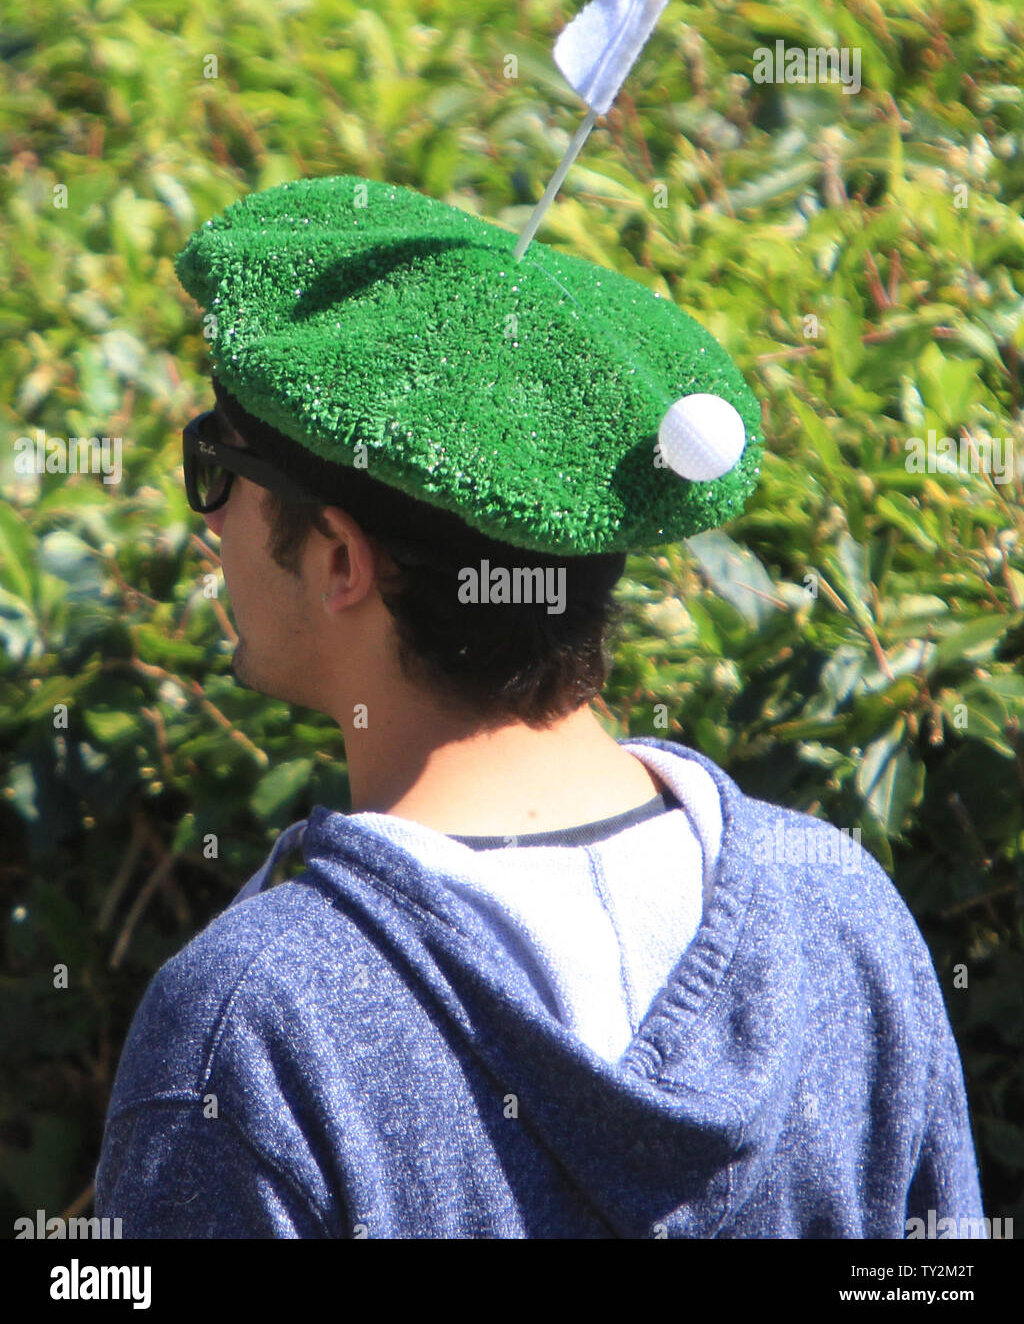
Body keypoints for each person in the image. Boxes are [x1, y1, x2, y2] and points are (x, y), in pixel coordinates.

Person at [94, 173, 985, 1238]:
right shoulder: (840, 912)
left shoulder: (255, 1027)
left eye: (217, 466)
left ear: (338, 558)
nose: (209, 522)